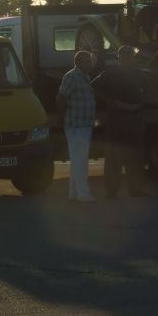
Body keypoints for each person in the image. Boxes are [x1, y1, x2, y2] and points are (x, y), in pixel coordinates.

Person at [92, 46, 148, 198]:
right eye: (125, 56)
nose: (128, 59)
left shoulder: (139, 73)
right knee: (114, 155)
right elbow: (94, 86)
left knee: (136, 156)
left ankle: (136, 189)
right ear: (120, 58)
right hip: (117, 117)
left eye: (130, 56)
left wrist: (141, 103)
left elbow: (149, 88)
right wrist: (109, 100)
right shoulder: (112, 73)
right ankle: (111, 190)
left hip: (135, 116)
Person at [56, 50, 97, 203]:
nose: (91, 64)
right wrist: (62, 117)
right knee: (80, 160)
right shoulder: (71, 76)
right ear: (78, 62)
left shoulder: (85, 77)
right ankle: (83, 194)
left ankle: (73, 193)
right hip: (75, 125)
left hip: (84, 124)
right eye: (88, 61)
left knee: (78, 159)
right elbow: (61, 97)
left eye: (90, 61)